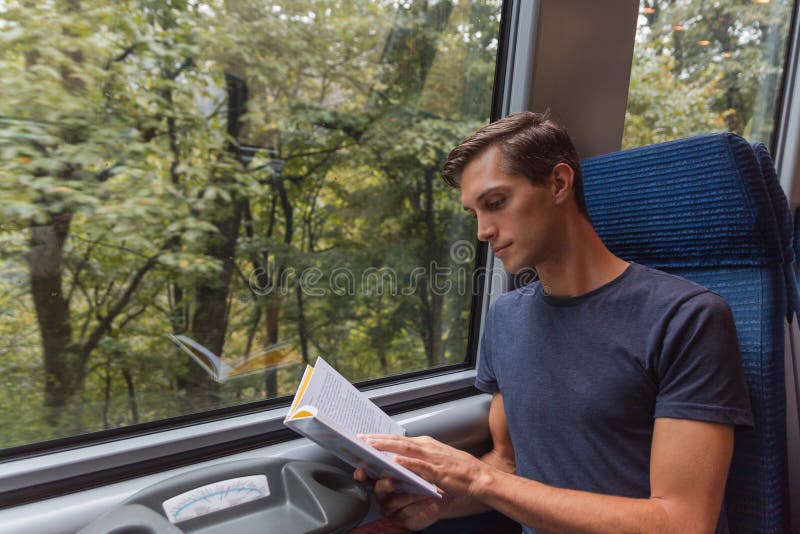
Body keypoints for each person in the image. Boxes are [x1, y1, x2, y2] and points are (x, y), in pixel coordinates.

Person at [354, 112, 753, 533]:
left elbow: (684, 523)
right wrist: (439, 500)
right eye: (474, 213)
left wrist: (477, 478)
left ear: (559, 184)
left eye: (495, 203)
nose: (483, 231)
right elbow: (509, 462)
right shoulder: (505, 318)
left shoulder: (686, 318)